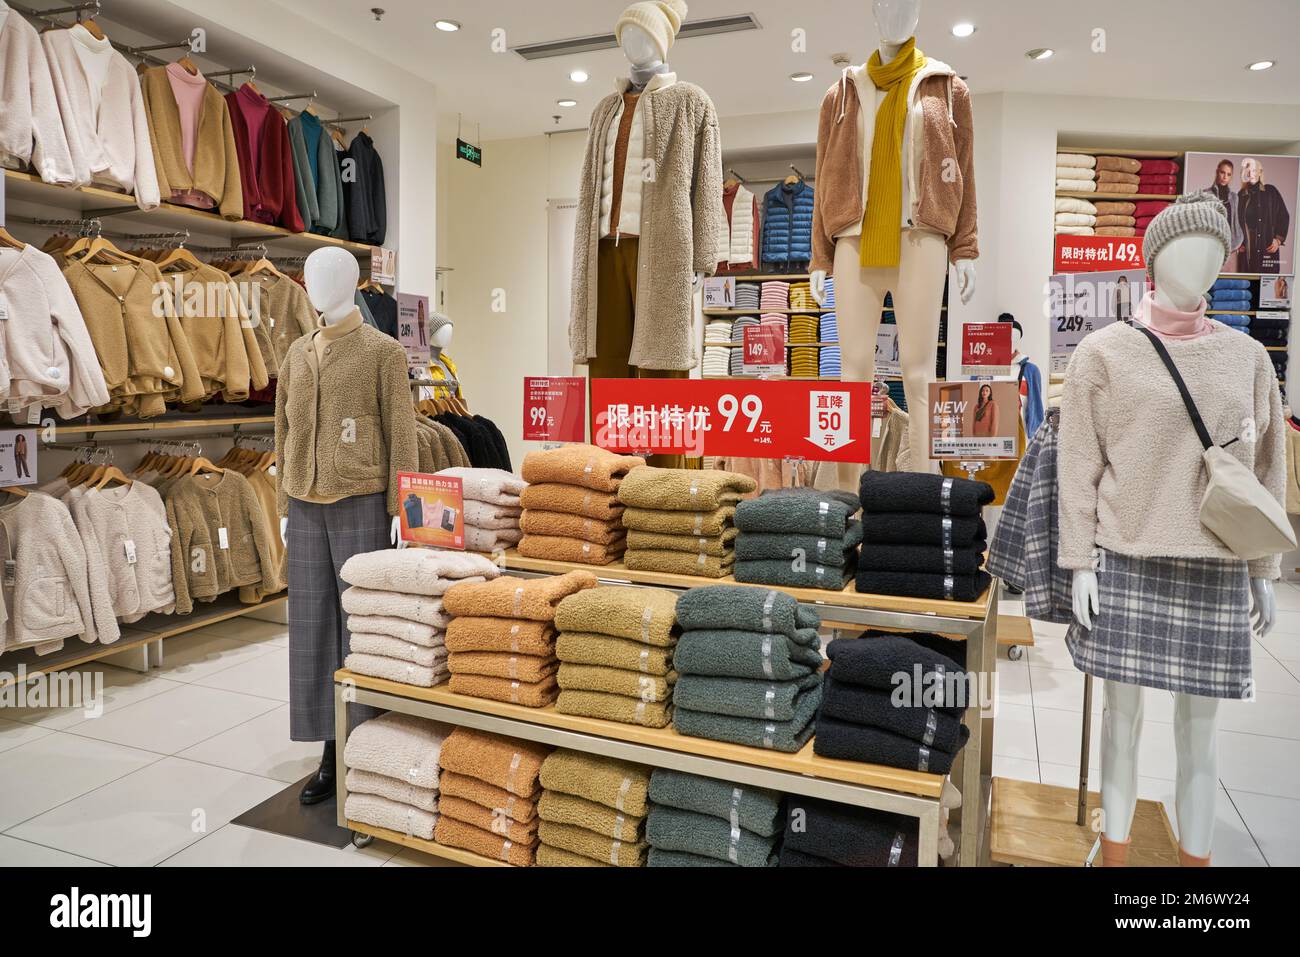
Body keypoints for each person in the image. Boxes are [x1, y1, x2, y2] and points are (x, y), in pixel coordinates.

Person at [1238, 157, 1291, 274]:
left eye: (1254, 170)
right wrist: (1238, 243)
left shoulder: (1271, 192)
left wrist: (1278, 240)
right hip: (1247, 251)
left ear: (1260, 172)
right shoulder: (1241, 196)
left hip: (1267, 249)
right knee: (1246, 285)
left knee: (1266, 286)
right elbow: (1235, 223)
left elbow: (1283, 215)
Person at [1207, 159, 1245, 272]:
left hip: (1231, 247)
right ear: (1217, 172)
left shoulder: (1234, 197)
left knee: (1229, 282)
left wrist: (1239, 241)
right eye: (1222, 172)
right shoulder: (1206, 194)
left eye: (1228, 174)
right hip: (1211, 245)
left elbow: (1237, 220)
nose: (1225, 177)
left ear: (1231, 177)